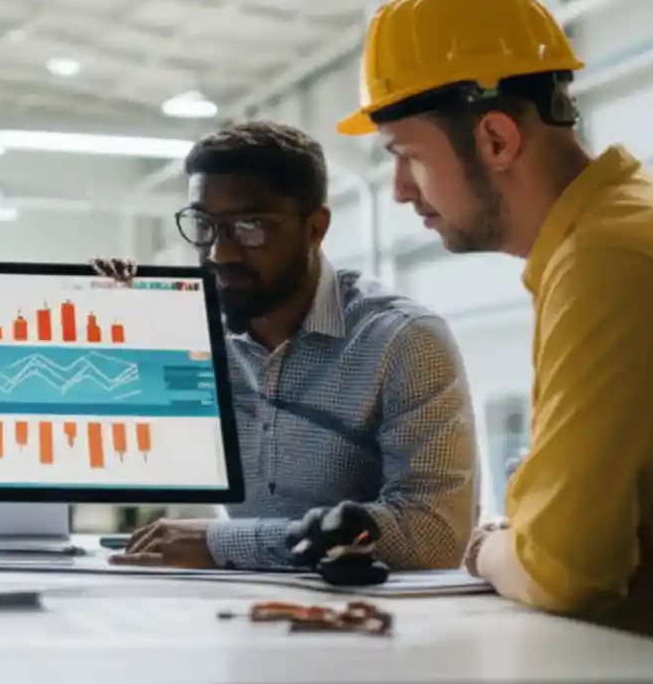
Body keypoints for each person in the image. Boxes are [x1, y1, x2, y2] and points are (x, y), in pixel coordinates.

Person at [339, 0, 653, 644]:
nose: (403, 192)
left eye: (407, 157)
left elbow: (562, 568)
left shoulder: (609, 259)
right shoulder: (631, 222)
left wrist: (489, 544)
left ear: (496, 140)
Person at [94, 120, 478, 572]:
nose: (221, 254)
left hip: (376, 621)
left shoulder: (403, 340)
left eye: (251, 227)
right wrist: (99, 316)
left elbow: (432, 533)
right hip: (244, 608)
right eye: (204, 225)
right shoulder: (198, 334)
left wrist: (226, 543)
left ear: (315, 228)